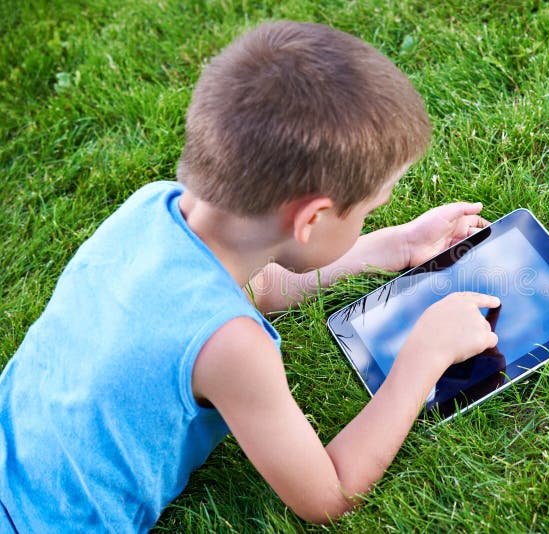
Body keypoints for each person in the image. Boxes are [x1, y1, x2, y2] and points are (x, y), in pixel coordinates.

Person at [0, 21, 500, 531]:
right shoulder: (233, 347)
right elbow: (329, 493)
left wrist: (400, 245)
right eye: (369, 211)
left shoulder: (150, 208)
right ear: (311, 219)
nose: (371, 219)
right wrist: (422, 360)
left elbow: (256, 286)